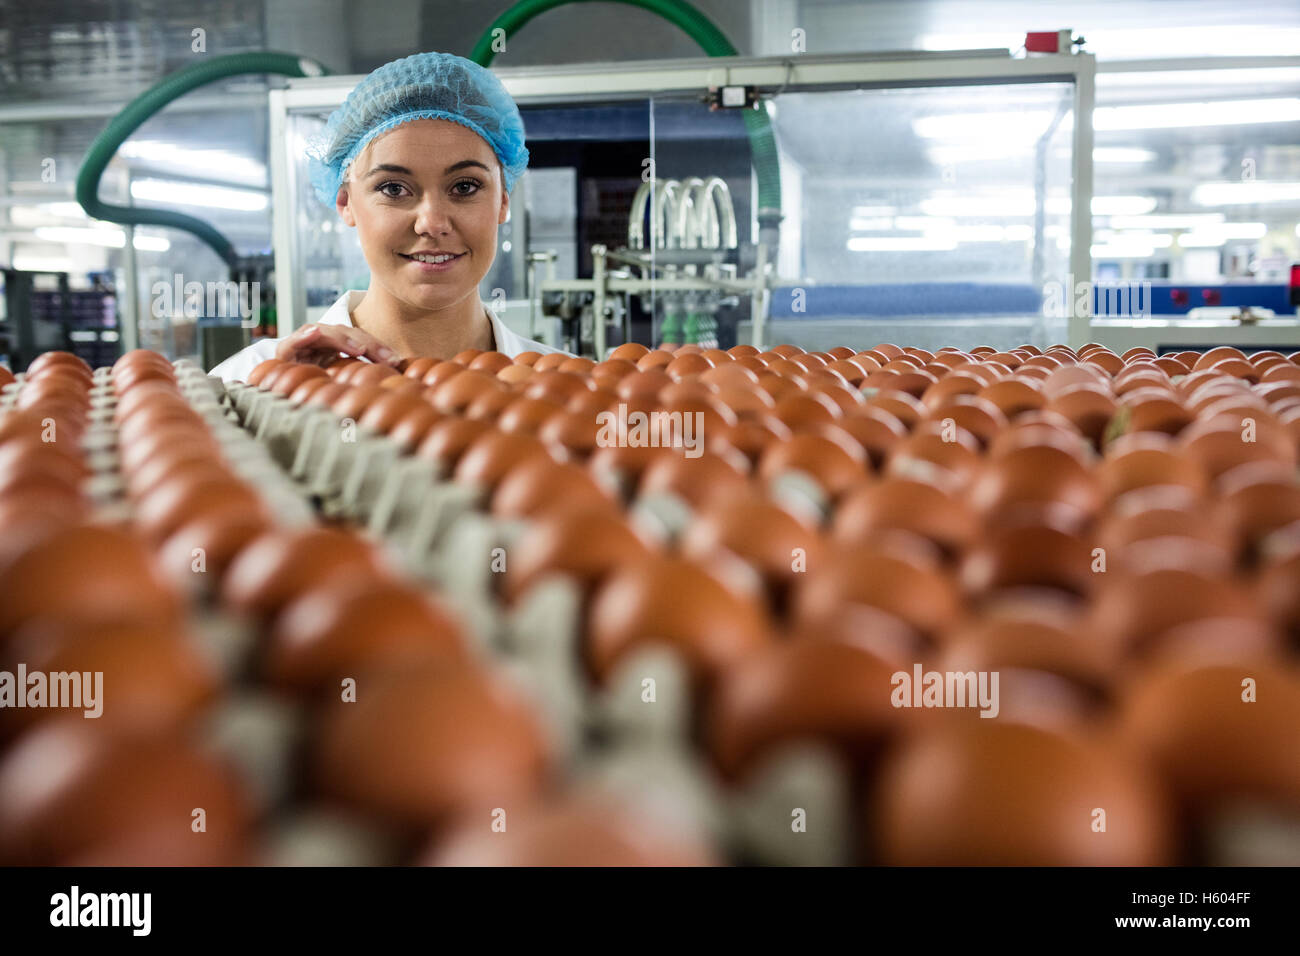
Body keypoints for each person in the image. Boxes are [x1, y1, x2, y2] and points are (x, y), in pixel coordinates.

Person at [210, 51, 566, 384]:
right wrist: (280, 410)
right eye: (393, 189)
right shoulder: (252, 381)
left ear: (503, 201)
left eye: (465, 187)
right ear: (345, 202)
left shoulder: (566, 387)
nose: (432, 222)